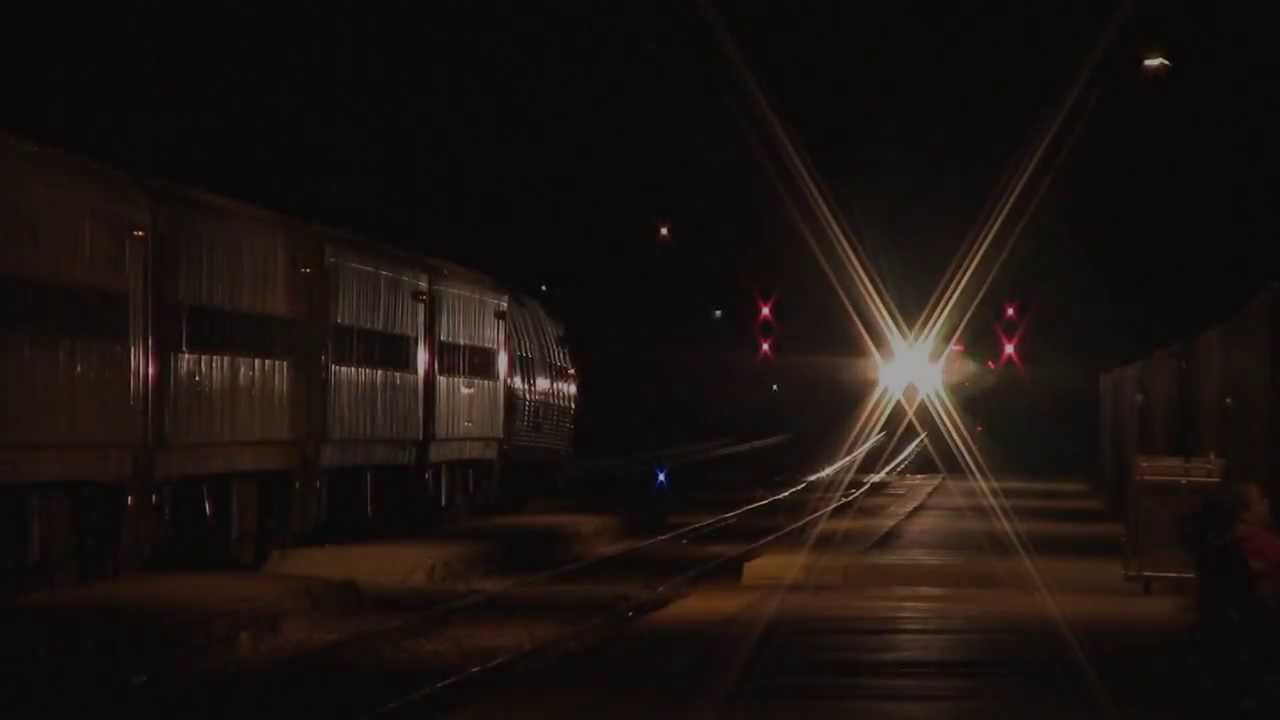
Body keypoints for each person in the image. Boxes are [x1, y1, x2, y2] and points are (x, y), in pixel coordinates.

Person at [1233, 481, 1280, 601]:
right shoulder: (1269, 545)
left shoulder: (1224, 541)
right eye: (1261, 502)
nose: (1267, 504)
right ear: (1245, 511)